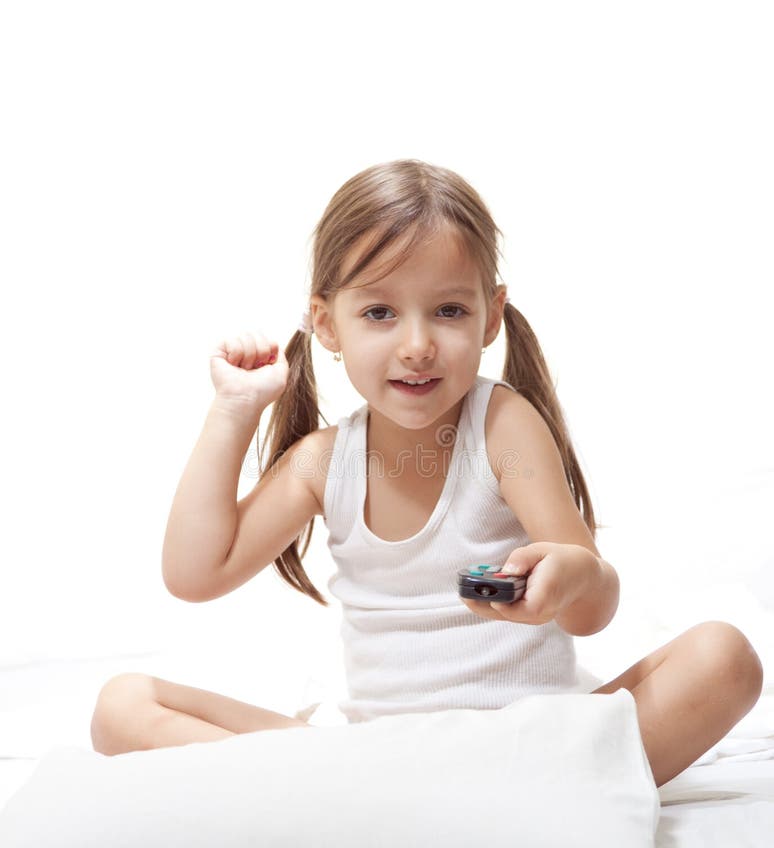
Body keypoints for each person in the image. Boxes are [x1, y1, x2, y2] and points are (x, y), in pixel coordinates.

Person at [90, 159, 763, 787]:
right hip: (381, 757)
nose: (417, 346)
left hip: (526, 748)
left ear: (490, 316)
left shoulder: (503, 428)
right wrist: (234, 410)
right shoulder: (326, 462)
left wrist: (570, 577)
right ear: (327, 324)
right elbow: (194, 573)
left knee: (723, 658)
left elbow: (591, 611)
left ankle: (402, 804)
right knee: (124, 706)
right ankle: (382, 799)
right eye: (379, 313)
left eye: (449, 310)